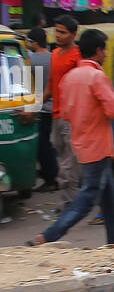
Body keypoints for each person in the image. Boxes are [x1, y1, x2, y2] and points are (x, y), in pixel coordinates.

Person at [29, 29, 114, 247]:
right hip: (98, 144)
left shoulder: (70, 77)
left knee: (109, 197)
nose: (107, 55)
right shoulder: (97, 76)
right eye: (105, 50)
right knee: (88, 197)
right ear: (98, 51)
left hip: (80, 140)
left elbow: (67, 112)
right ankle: (49, 235)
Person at [48, 14, 82, 206]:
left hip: (71, 117)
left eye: (63, 32)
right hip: (56, 114)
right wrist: (32, 107)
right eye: (57, 31)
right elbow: (50, 86)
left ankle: (70, 205)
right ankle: (72, 202)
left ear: (74, 34)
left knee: (69, 164)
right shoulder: (54, 55)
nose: (58, 36)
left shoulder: (77, 56)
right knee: (63, 160)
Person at [25, 25, 58, 190]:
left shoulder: (29, 61)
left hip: (39, 109)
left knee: (42, 147)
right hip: (55, 108)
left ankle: (50, 180)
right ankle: (54, 177)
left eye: (29, 42)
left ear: (35, 43)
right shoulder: (55, 58)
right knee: (52, 146)